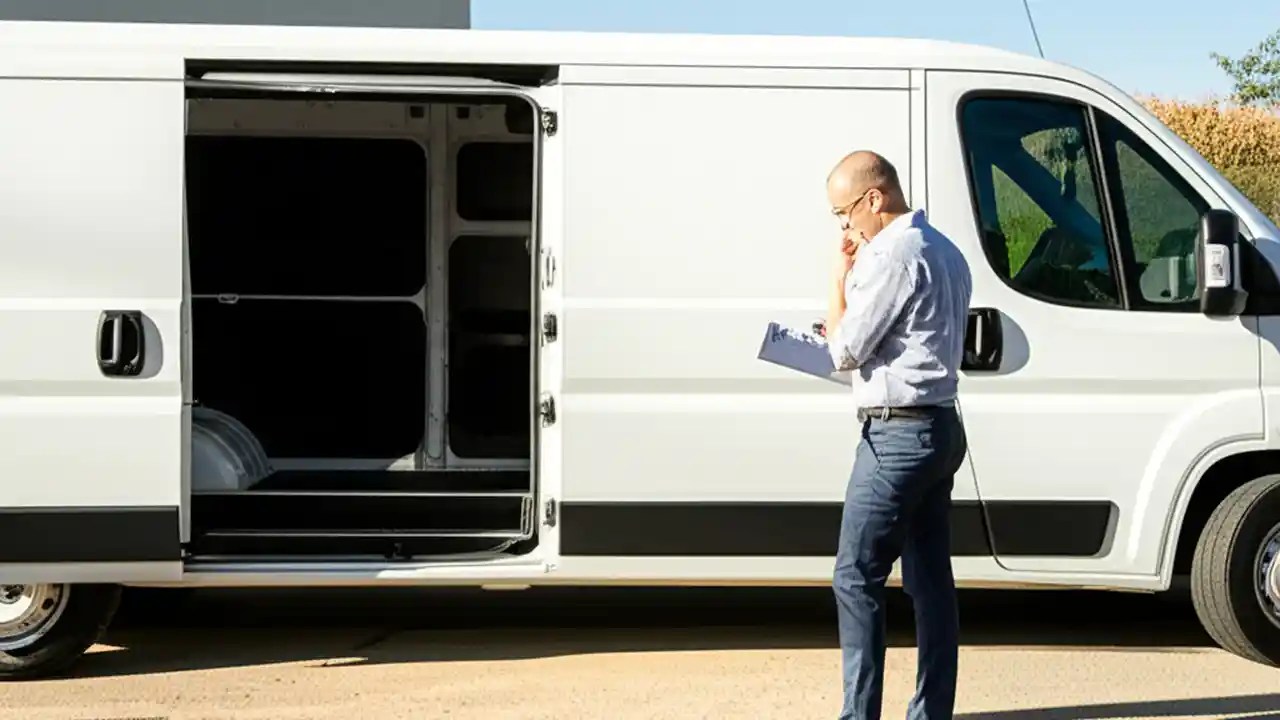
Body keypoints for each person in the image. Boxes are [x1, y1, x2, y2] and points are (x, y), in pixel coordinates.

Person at [822, 150, 973, 720]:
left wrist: (839, 278)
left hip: (895, 437)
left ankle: (859, 716)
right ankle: (932, 711)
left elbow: (845, 350)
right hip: (939, 427)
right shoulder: (944, 248)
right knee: (931, 582)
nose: (844, 226)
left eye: (843, 213)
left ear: (873, 199)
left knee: (855, 576)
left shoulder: (893, 254)